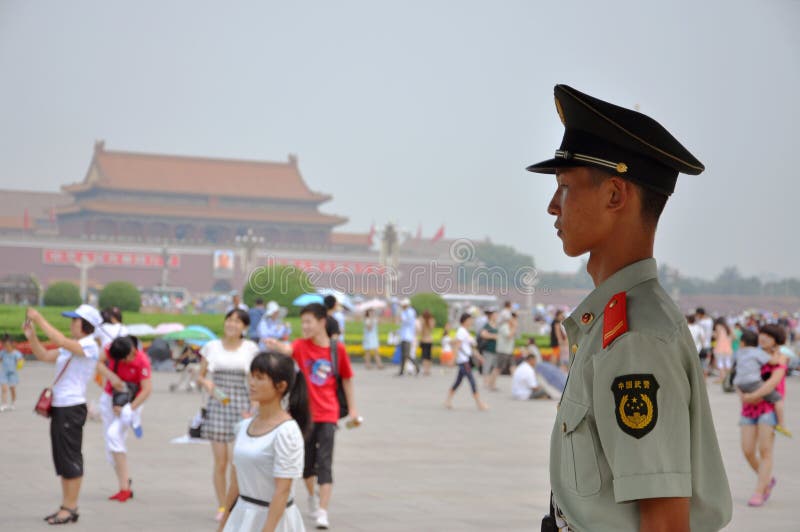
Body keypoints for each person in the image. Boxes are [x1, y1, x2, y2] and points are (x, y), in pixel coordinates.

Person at [528, 84, 731, 530]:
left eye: (564, 187)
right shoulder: (613, 321)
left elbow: (663, 521)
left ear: (615, 195)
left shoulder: (634, 337)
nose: (552, 206)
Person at [265, 303, 359, 530]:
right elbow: (288, 350)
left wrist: (353, 409)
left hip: (329, 414)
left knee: (325, 464)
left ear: (321, 322)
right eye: (303, 322)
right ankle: (312, 496)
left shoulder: (338, 350)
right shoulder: (301, 346)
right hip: (305, 415)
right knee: (306, 466)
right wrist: (276, 346)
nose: (304, 326)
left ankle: (323, 511)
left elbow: (346, 378)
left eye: (308, 322)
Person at [23, 304, 104, 525]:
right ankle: (66, 506)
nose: (71, 324)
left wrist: (39, 319)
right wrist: (31, 337)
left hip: (72, 407)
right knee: (62, 457)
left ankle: (70, 507)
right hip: (61, 406)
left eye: (74, 320)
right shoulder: (73, 346)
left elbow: (59, 340)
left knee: (70, 457)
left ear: (85, 324)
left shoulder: (89, 346)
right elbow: (45, 355)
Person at [218, 352, 310, 532]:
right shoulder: (244, 426)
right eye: (251, 376)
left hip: (275, 520)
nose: (251, 383)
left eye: (259, 378)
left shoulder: (287, 431)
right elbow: (235, 484)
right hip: (242, 515)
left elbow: (282, 490)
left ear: (281, 386)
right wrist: (224, 523)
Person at [197, 309, 260, 522]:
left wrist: (254, 408)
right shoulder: (212, 347)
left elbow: (255, 379)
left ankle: (239, 502)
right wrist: (207, 384)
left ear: (245, 327)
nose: (232, 324)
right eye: (229, 320)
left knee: (239, 460)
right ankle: (223, 505)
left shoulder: (250, 348)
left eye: (237, 321)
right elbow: (201, 375)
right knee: (220, 461)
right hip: (217, 404)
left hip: (241, 404)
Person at [739, 324, 791, 506]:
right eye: (762, 334)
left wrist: (752, 396)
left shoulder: (781, 357)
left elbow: (773, 382)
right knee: (747, 450)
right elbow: (740, 376)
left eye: (769, 336)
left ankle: (759, 491)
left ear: (776, 339)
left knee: (765, 451)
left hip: (768, 407)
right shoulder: (751, 354)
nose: (763, 338)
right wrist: (743, 397)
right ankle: (767, 480)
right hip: (749, 408)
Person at [95, 336, 152, 502]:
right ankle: (125, 481)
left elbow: (147, 390)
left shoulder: (142, 361)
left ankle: (124, 489)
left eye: (127, 358)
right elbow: (97, 363)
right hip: (110, 398)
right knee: (110, 448)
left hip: (132, 402)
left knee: (114, 436)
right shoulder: (112, 350)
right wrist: (111, 376)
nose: (127, 361)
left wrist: (129, 408)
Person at [444, 313, 488, 411]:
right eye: (470, 319)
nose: (471, 321)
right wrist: (453, 360)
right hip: (463, 361)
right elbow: (457, 346)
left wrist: (479, 357)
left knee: (458, 382)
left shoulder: (465, 332)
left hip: (466, 360)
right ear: (465, 320)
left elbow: (470, 348)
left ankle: (448, 400)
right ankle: (479, 403)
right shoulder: (462, 331)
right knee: (472, 381)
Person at [396, 298, 419, 376]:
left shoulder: (410, 312)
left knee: (407, 354)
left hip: (408, 336)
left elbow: (405, 321)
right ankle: (401, 371)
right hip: (403, 336)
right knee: (403, 355)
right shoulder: (404, 312)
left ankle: (417, 366)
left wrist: (401, 315)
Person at [0, 333, 23, 411]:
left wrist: (20, 363)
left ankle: (13, 402)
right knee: (4, 389)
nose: (5, 347)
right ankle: (4, 404)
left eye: (7, 345)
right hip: (4, 373)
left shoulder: (16, 353)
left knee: (12, 389)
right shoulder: (2, 353)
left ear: (12, 344)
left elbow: (20, 361)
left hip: (13, 374)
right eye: (4, 345)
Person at [480, 310, 500, 389]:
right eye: (495, 315)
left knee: (495, 367)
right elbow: (483, 334)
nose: (496, 317)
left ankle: (492, 383)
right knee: (487, 366)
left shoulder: (497, 325)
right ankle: (486, 382)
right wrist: (494, 336)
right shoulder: (487, 325)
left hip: (496, 349)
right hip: (488, 349)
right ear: (491, 316)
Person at [713, 318, 734, 384]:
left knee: (720, 363)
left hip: (719, 347)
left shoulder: (718, 326)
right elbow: (734, 337)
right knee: (728, 363)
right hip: (728, 347)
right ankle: (729, 378)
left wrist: (714, 335)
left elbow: (716, 336)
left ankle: (722, 378)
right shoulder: (728, 327)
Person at [418, 309, 435, 376]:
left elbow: (419, 331)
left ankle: (425, 370)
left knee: (424, 356)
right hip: (430, 339)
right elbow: (432, 328)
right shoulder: (432, 321)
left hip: (423, 339)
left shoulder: (422, 321)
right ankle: (428, 370)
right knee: (429, 356)